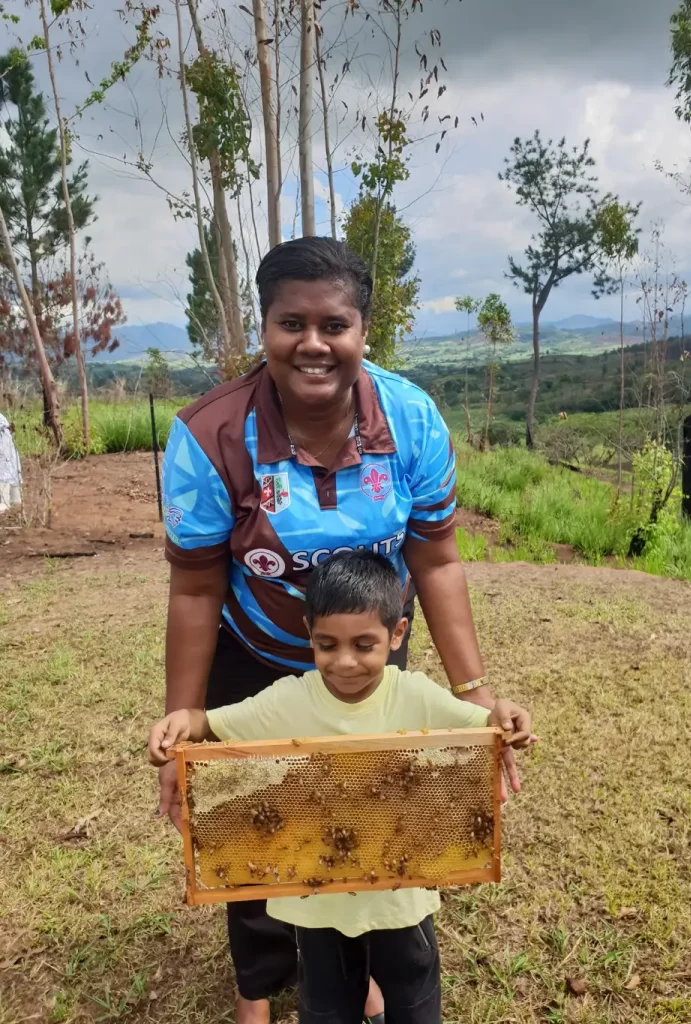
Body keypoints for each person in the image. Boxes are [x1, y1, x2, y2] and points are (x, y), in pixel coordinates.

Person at [159, 236, 532, 1024]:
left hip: (371, 663)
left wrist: (472, 694)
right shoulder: (209, 436)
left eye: (335, 323)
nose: (314, 344)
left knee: (370, 812)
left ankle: (355, 961)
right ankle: (257, 984)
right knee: (258, 825)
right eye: (291, 322)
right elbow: (195, 587)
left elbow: (434, 559)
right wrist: (186, 731)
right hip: (255, 656)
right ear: (263, 329)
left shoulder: (412, 419)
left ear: (364, 330)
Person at [149, 552, 534, 1024]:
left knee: (413, 1000)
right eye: (327, 645)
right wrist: (180, 722)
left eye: (364, 645)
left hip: (403, 900)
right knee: (327, 1007)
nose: (345, 661)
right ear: (309, 632)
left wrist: (505, 714)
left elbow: (485, 725)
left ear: (397, 634)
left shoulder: (416, 694)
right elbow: (209, 723)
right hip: (316, 906)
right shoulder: (287, 699)